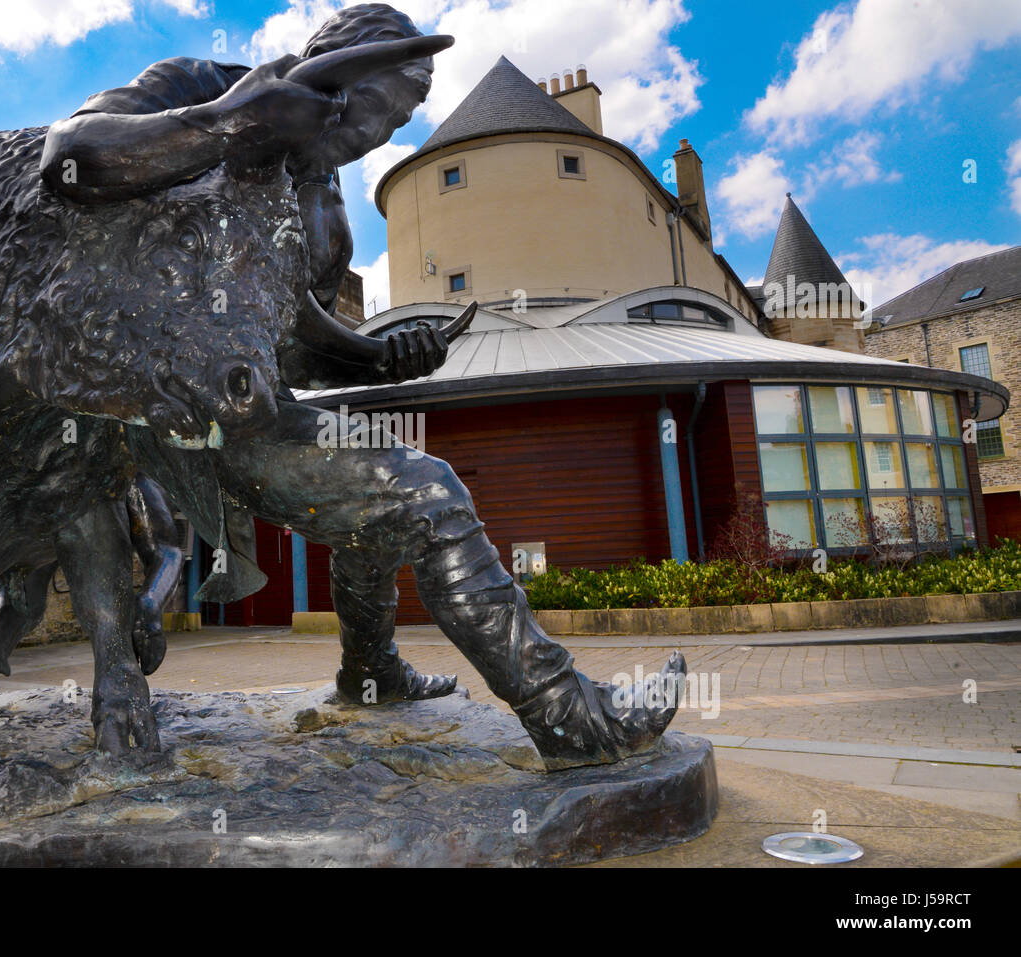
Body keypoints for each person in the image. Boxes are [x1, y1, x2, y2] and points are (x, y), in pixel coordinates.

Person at [41, 3, 683, 768]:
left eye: (400, 123)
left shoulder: (325, 194)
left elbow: (294, 335)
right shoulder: (202, 85)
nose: (381, 135)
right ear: (341, 68)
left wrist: (378, 357)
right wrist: (225, 123)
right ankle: (573, 720)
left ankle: (369, 669)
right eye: (383, 110)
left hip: (247, 401)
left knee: (378, 486)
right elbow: (67, 157)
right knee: (432, 493)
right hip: (152, 397)